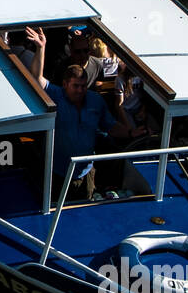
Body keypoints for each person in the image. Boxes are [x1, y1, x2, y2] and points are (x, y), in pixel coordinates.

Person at [24, 27, 144, 200]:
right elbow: (36, 79)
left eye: (83, 86)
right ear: (65, 85)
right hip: (57, 173)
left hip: (85, 173)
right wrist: (41, 47)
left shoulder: (96, 101)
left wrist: (131, 132)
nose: (80, 90)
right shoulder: (57, 95)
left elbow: (110, 126)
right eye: (75, 86)